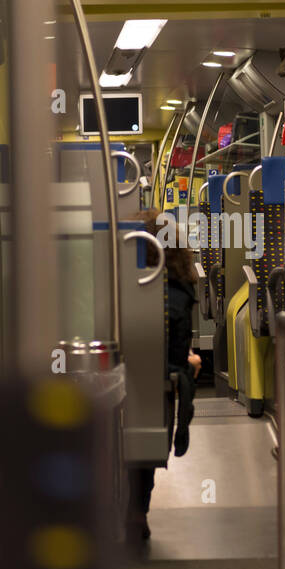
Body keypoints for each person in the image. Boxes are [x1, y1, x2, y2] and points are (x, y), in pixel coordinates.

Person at [126, 208, 202, 545]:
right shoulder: (179, 294)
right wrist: (189, 363)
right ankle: (137, 512)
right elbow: (175, 355)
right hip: (155, 390)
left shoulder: (114, 287)